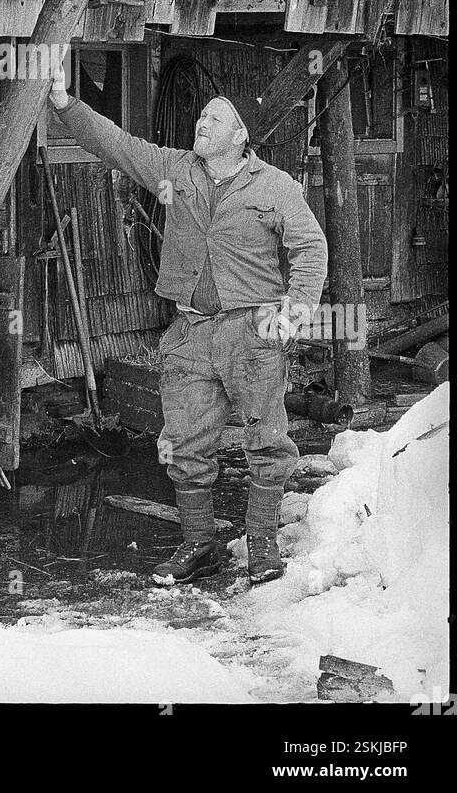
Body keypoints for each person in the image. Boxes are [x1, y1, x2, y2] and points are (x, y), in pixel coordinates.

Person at [48, 51, 327, 584]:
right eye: (200, 116)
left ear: (240, 135)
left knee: (266, 441)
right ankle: (200, 545)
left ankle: (263, 543)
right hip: (191, 331)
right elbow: (119, 146)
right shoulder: (177, 171)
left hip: (253, 331)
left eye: (214, 117)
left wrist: (296, 312)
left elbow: (311, 249)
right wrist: (63, 102)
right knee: (184, 444)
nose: (200, 122)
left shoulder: (276, 187)